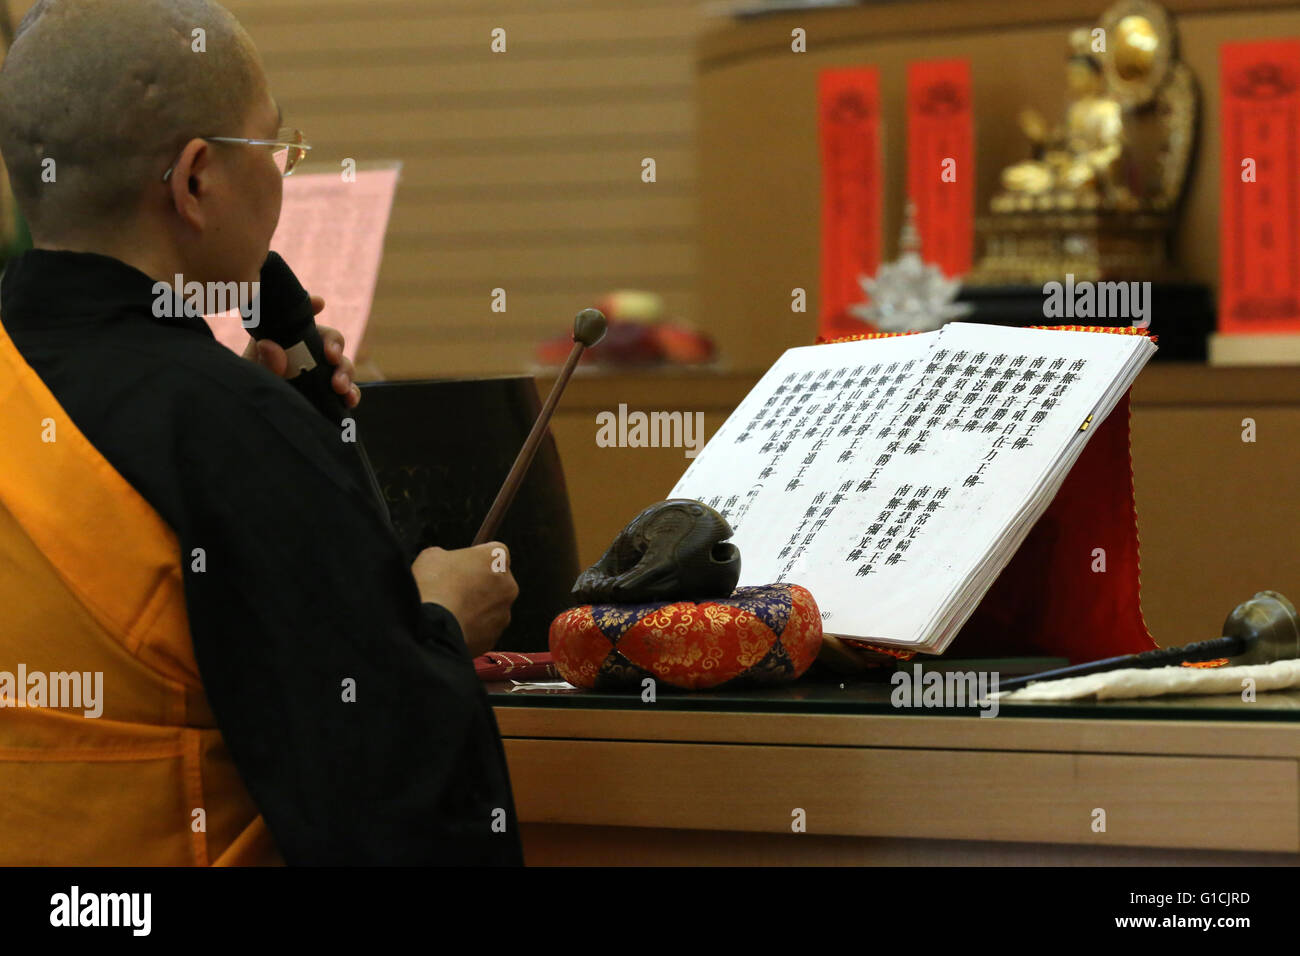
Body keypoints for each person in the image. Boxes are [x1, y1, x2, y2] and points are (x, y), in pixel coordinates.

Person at [0, 0, 522, 865]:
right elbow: (380, 788)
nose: (282, 172)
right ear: (196, 180)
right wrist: (436, 619)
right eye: (273, 146)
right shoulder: (224, 430)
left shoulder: (197, 416)